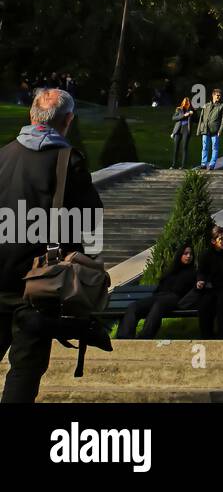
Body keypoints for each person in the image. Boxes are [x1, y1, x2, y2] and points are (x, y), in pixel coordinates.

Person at [0, 88, 108, 403]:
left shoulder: (3, 155)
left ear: (31, 116)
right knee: (25, 368)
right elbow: (89, 220)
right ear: (68, 120)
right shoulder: (67, 161)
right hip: (37, 284)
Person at [116, 245, 201, 339]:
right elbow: (161, 287)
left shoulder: (194, 273)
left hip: (174, 298)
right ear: (180, 255)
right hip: (159, 296)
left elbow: (195, 289)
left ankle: (144, 337)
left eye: (191, 254)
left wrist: (198, 285)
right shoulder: (171, 271)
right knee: (134, 306)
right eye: (185, 253)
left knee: (158, 305)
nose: (189, 256)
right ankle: (124, 338)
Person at [197, 88, 223, 171]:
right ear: (213, 95)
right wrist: (199, 130)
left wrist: (220, 130)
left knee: (215, 147)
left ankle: (212, 164)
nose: (219, 97)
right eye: (217, 95)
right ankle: (203, 164)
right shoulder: (206, 105)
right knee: (205, 147)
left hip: (215, 130)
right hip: (205, 129)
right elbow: (201, 118)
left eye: (220, 95)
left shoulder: (221, 106)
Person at [170, 97, 196, 168]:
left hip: (186, 129)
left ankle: (183, 166)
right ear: (183, 103)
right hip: (178, 129)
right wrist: (184, 115)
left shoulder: (192, 110)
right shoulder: (179, 109)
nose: (186, 103)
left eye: (188, 102)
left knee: (184, 147)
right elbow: (174, 118)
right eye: (185, 102)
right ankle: (174, 165)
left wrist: (193, 113)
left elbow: (197, 120)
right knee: (176, 147)